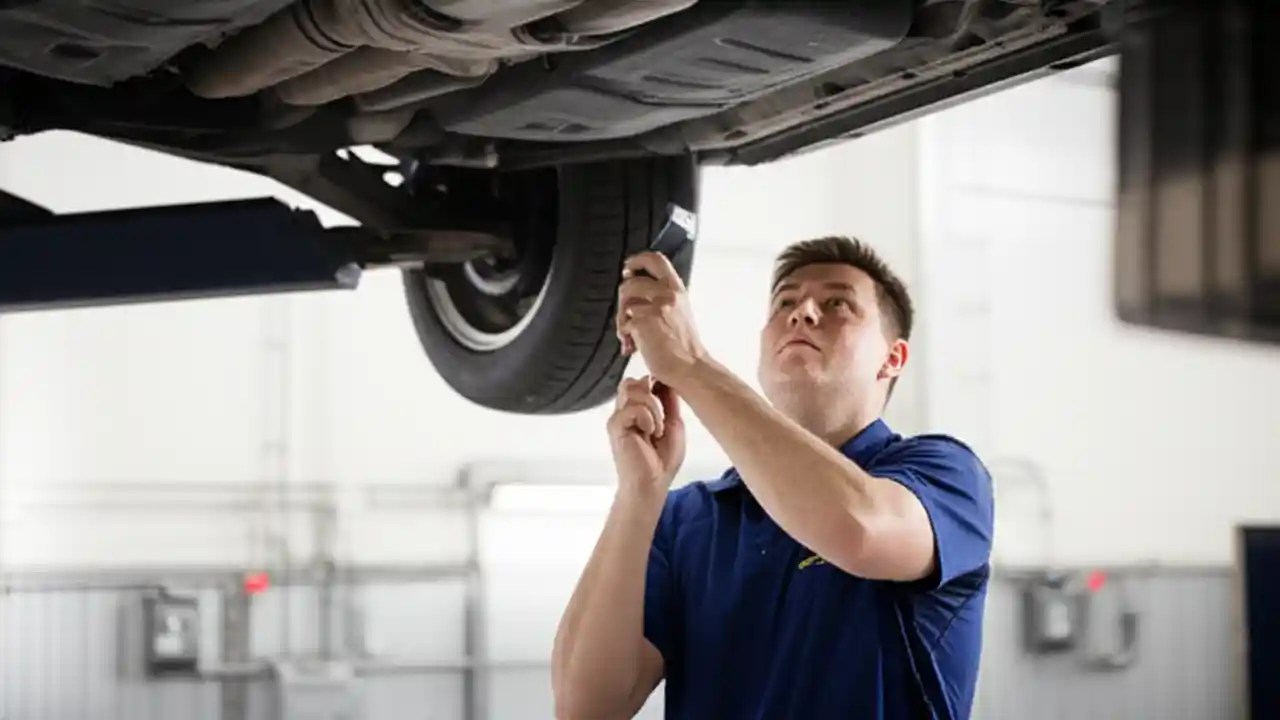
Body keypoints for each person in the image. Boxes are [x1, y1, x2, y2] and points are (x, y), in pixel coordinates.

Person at [551, 236, 994, 720]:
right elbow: (585, 707)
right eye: (785, 301)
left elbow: (859, 528)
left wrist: (692, 365)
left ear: (893, 358)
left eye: (837, 303)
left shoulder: (942, 476)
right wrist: (639, 494)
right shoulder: (688, 520)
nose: (802, 312)